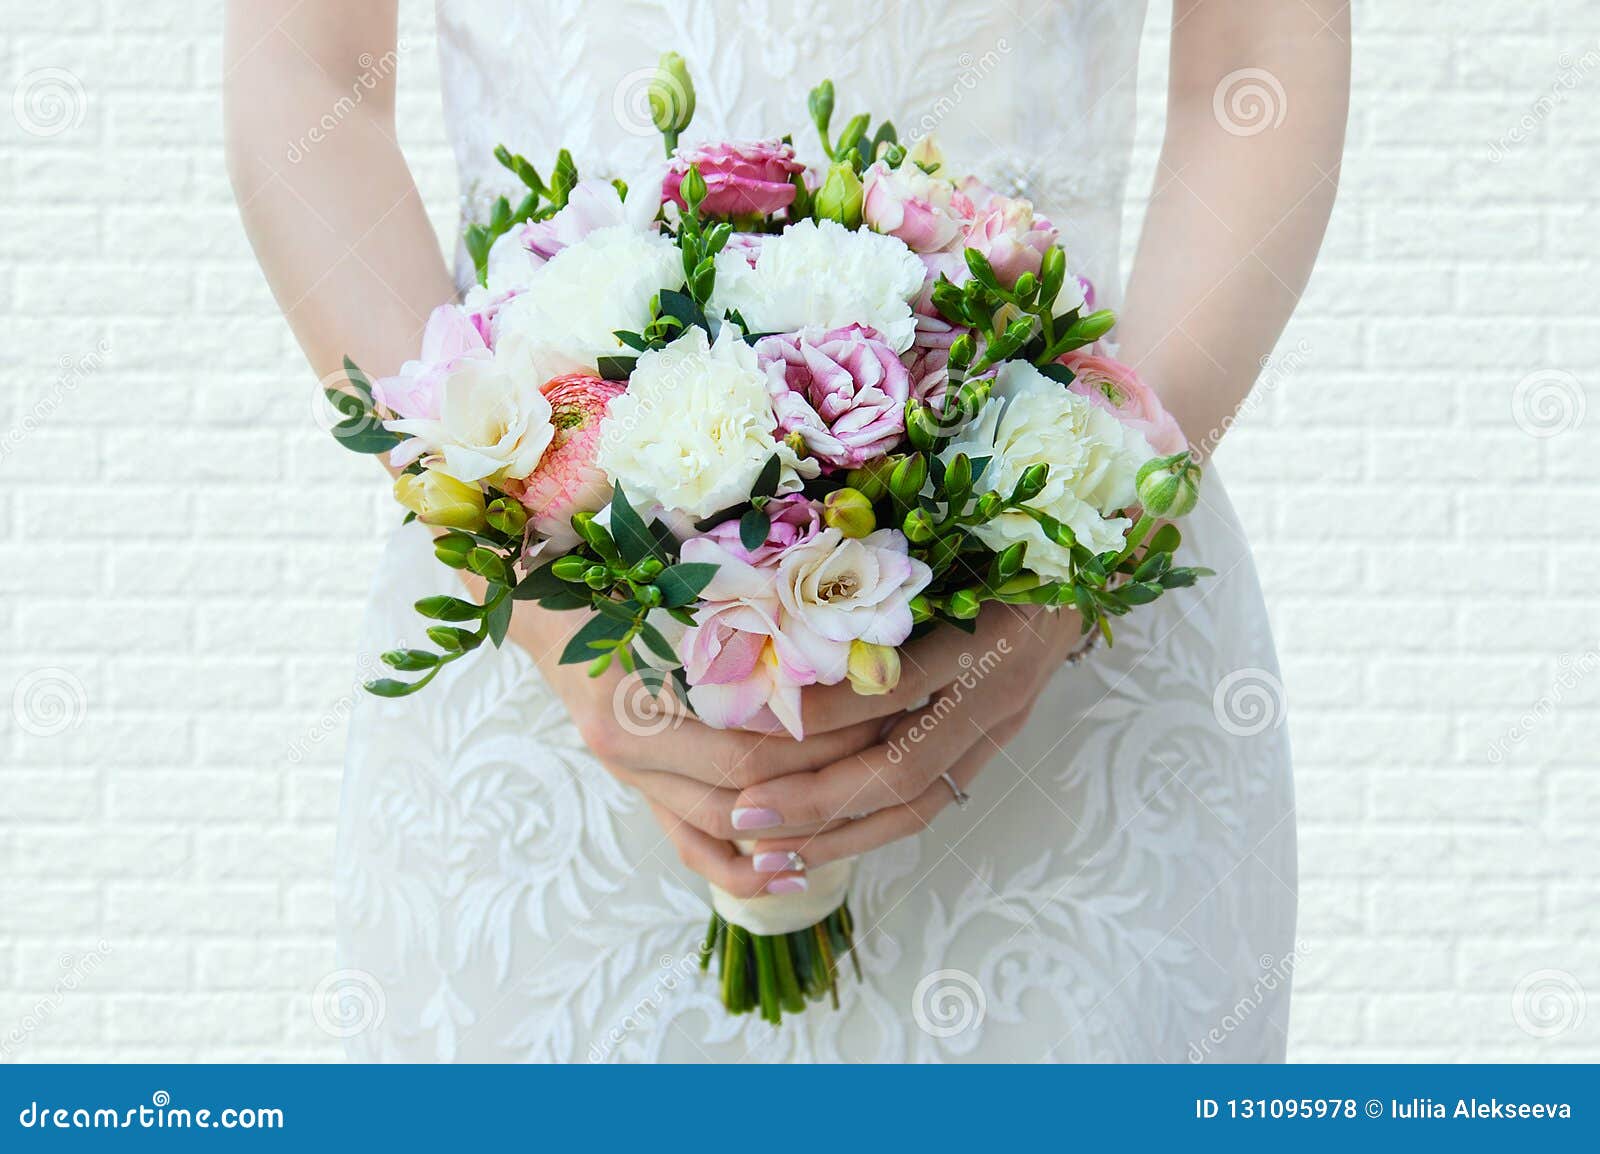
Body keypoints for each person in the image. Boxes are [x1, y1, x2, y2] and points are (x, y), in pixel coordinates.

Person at [226, 0, 1348, 1062]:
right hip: (543, 670)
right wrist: (526, 577)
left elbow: (1250, 66)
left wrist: (1082, 555)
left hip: (1064, 633)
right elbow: (306, 67)